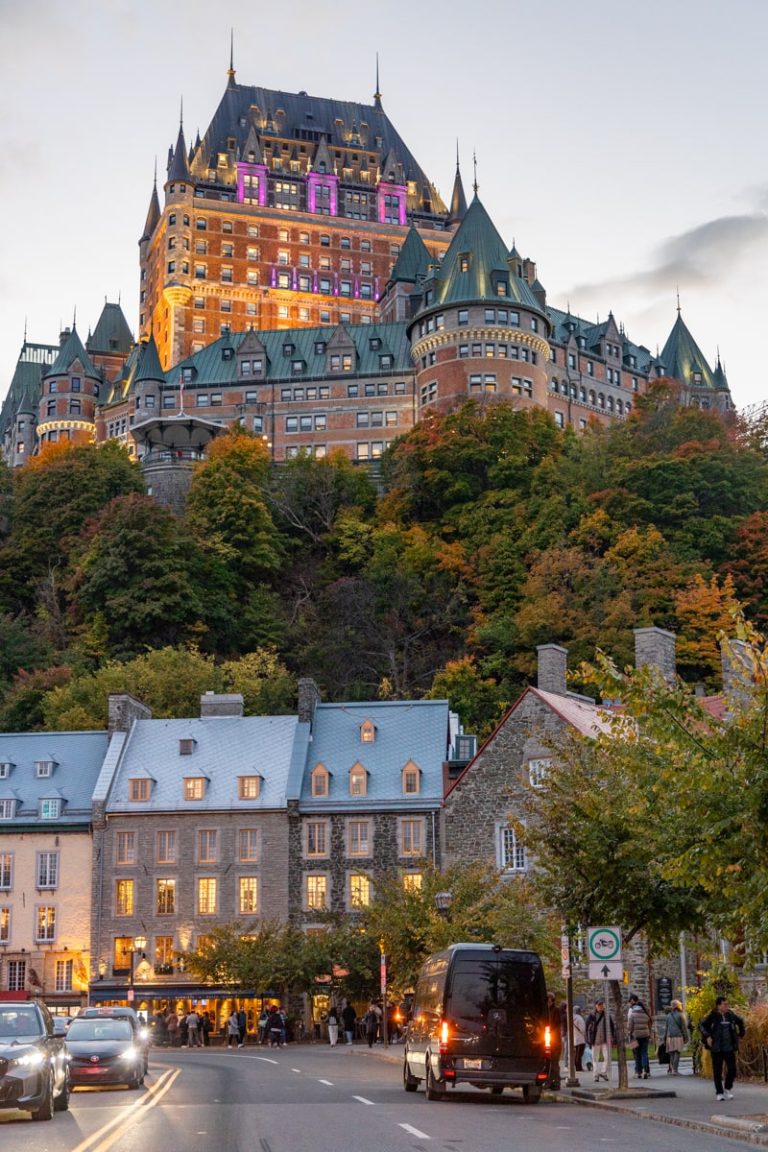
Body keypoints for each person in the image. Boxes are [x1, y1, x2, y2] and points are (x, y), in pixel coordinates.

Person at [699, 996, 745, 1100]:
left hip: (729, 1047)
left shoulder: (731, 1016)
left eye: (727, 1004)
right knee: (717, 1071)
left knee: (732, 1069)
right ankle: (719, 1092)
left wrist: (740, 1035)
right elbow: (702, 1025)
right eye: (724, 1004)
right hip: (717, 1047)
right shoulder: (713, 1016)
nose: (727, 1006)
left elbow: (741, 1022)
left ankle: (727, 1088)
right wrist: (708, 1036)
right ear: (719, 1005)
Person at [586, 999, 615, 1082]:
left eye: (602, 1006)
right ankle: (595, 1074)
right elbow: (587, 1027)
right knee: (595, 1059)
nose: (601, 1007)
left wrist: (612, 1037)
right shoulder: (591, 1016)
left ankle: (603, 1072)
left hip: (605, 1040)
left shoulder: (607, 1015)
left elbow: (612, 1027)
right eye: (599, 1005)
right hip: (595, 1040)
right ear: (596, 1006)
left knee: (607, 1057)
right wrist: (588, 1039)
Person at [627, 993, 653, 1079]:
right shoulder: (646, 1014)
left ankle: (638, 1072)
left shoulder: (632, 1015)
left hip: (635, 1037)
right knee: (644, 1053)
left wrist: (629, 1033)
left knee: (637, 1054)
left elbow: (629, 1027)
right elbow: (649, 1024)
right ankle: (646, 1071)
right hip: (645, 1036)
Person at [662, 999, 689, 1075]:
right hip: (678, 1036)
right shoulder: (681, 1015)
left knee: (671, 1053)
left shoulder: (668, 1016)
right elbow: (684, 1028)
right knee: (677, 1052)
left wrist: (664, 1038)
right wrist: (686, 1038)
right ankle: (675, 1070)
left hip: (669, 1037)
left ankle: (672, 1069)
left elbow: (666, 1028)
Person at [572, 1005, 587, 1072]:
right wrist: (585, 1035)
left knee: (576, 1054)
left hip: (574, 1039)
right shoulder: (579, 1018)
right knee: (579, 1054)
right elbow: (583, 1029)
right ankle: (579, 1067)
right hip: (580, 1039)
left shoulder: (571, 1018)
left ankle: (577, 1066)